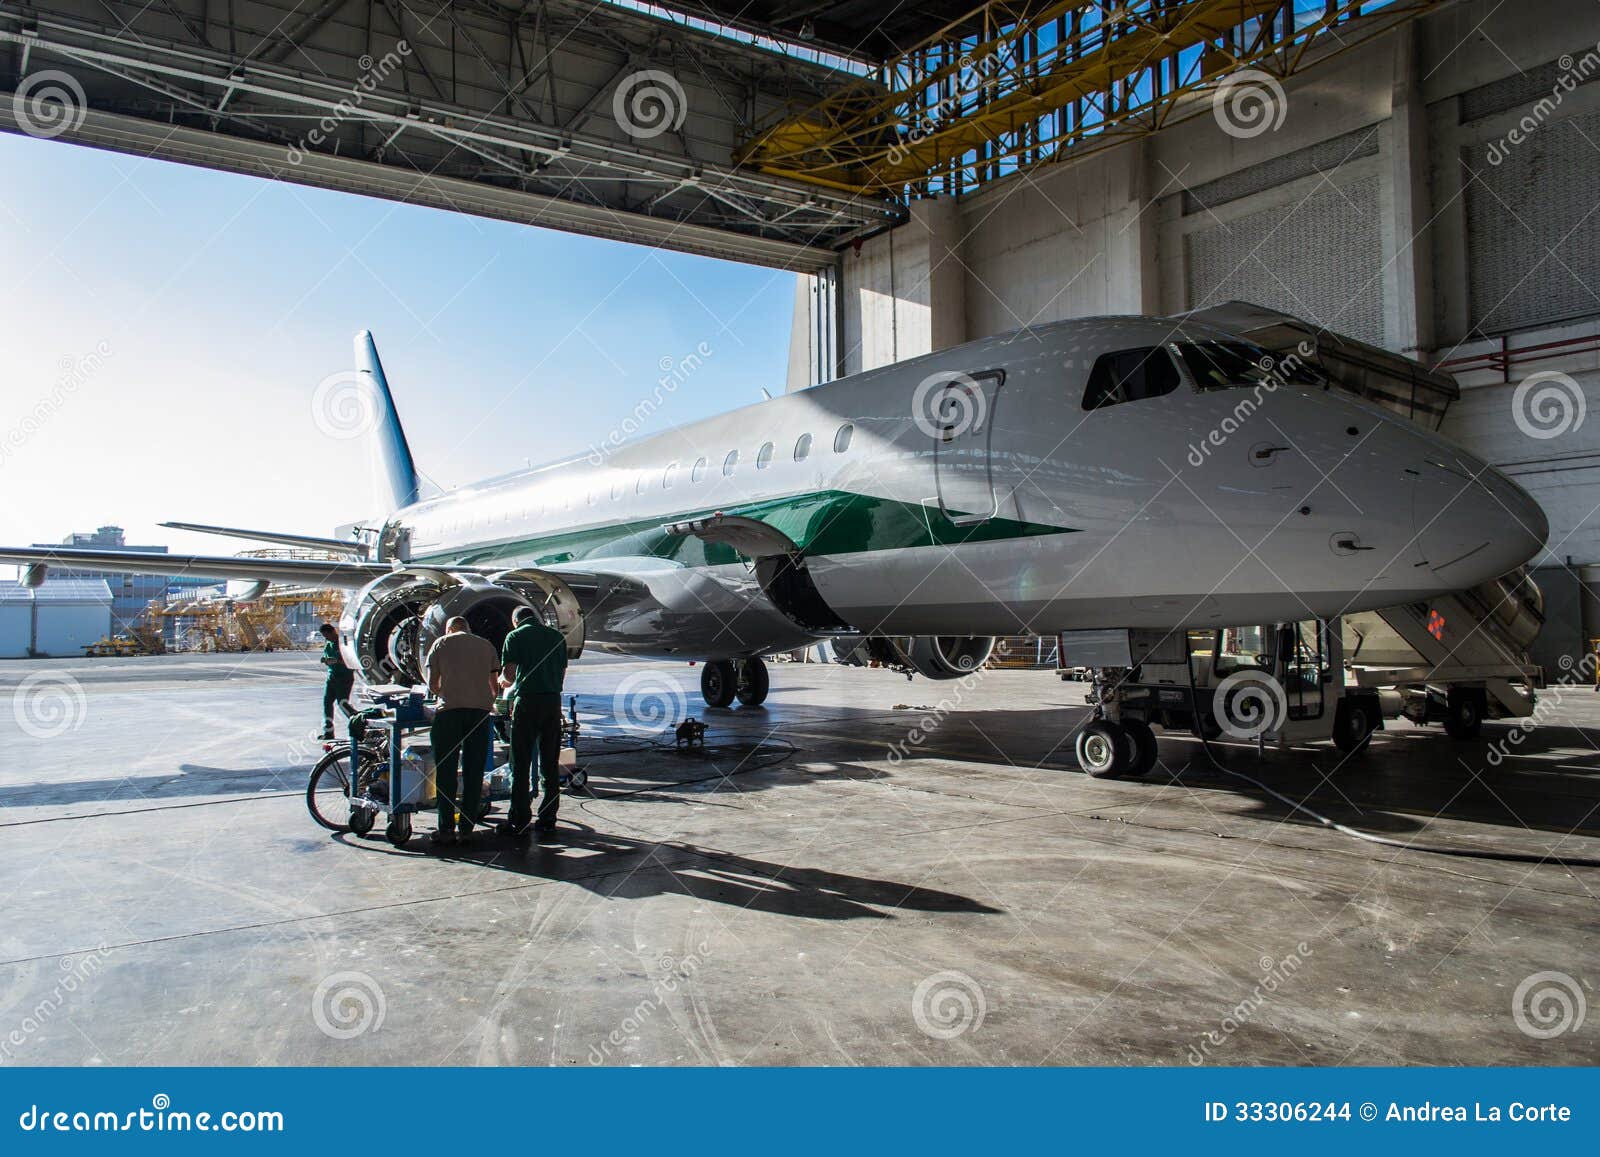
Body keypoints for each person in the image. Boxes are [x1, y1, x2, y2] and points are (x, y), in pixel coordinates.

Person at [424, 616, 500, 848]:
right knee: (474, 771)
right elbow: (494, 685)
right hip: (479, 715)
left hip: (450, 713)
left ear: (449, 629)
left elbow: (432, 684)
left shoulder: (440, 644)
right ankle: (467, 829)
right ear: (468, 629)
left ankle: (446, 828)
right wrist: (483, 699)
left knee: (446, 771)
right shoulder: (486, 645)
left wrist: (447, 692)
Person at [499, 605, 569, 838]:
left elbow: (509, 676)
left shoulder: (515, 636)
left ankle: (518, 819)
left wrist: (502, 681)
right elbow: (561, 672)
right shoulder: (557, 636)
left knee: (520, 762)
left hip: (527, 701)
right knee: (550, 762)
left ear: (516, 621)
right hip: (552, 702)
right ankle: (548, 819)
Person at [318, 623, 354, 739]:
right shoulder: (328, 645)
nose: (326, 638)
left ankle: (359, 721)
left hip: (344, 677)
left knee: (342, 703)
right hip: (332, 677)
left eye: (327, 635)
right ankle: (328, 731)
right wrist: (326, 661)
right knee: (327, 703)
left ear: (333, 631)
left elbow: (350, 661)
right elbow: (329, 659)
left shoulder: (343, 643)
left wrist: (337, 661)